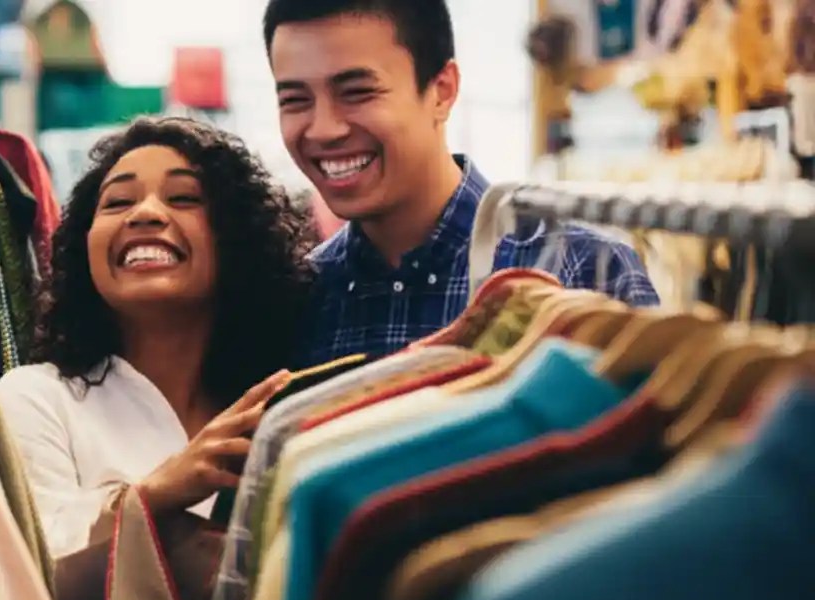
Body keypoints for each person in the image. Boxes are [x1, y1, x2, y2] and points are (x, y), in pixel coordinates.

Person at [263, 0, 662, 367]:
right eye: (295, 100)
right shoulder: (297, 301)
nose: (324, 129)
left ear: (442, 91)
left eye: (357, 93)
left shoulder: (581, 271)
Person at [0, 117, 314, 560]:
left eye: (184, 198)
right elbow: (29, 564)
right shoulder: (36, 397)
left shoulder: (281, 403)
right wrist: (158, 493)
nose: (144, 213)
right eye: (117, 202)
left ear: (239, 239)